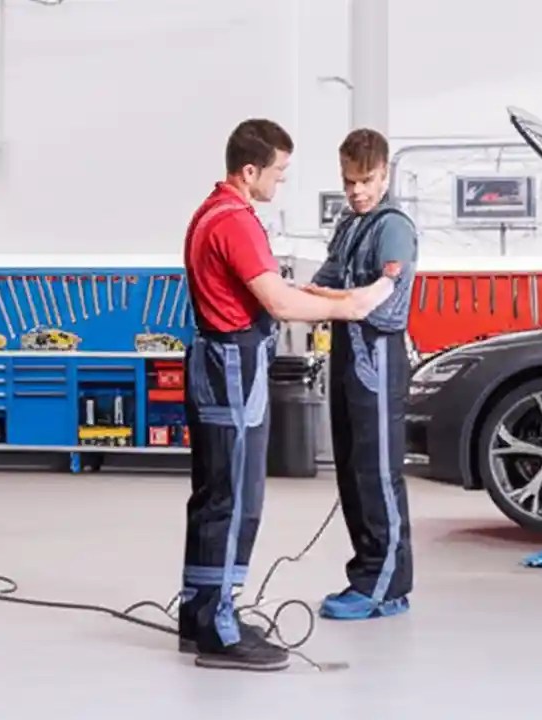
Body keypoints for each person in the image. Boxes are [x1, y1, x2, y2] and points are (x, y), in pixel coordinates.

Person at [177, 119, 398, 672]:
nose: (281, 181)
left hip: (217, 357)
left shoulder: (210, 211)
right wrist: (348, 307)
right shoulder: (235, 222)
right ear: (249, 171)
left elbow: (279, 290)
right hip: (233, 364)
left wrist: (329, 292)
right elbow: (276, 301)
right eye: (278, 171)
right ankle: (219, 630)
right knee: (236, 500)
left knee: (213, 494)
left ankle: (200, 611)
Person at [304, 128, 418, 621]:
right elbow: (326, 282)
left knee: (378, 472)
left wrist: (335, 302)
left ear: (386, 174)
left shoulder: (393, 228)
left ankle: (387, 585)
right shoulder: (349, 226)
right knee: (351, 471)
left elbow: (385, 307)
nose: (356, 191)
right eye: (349, 181)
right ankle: (365, 574)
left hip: (379, 356)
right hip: (347, 356)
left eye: (366, 180)